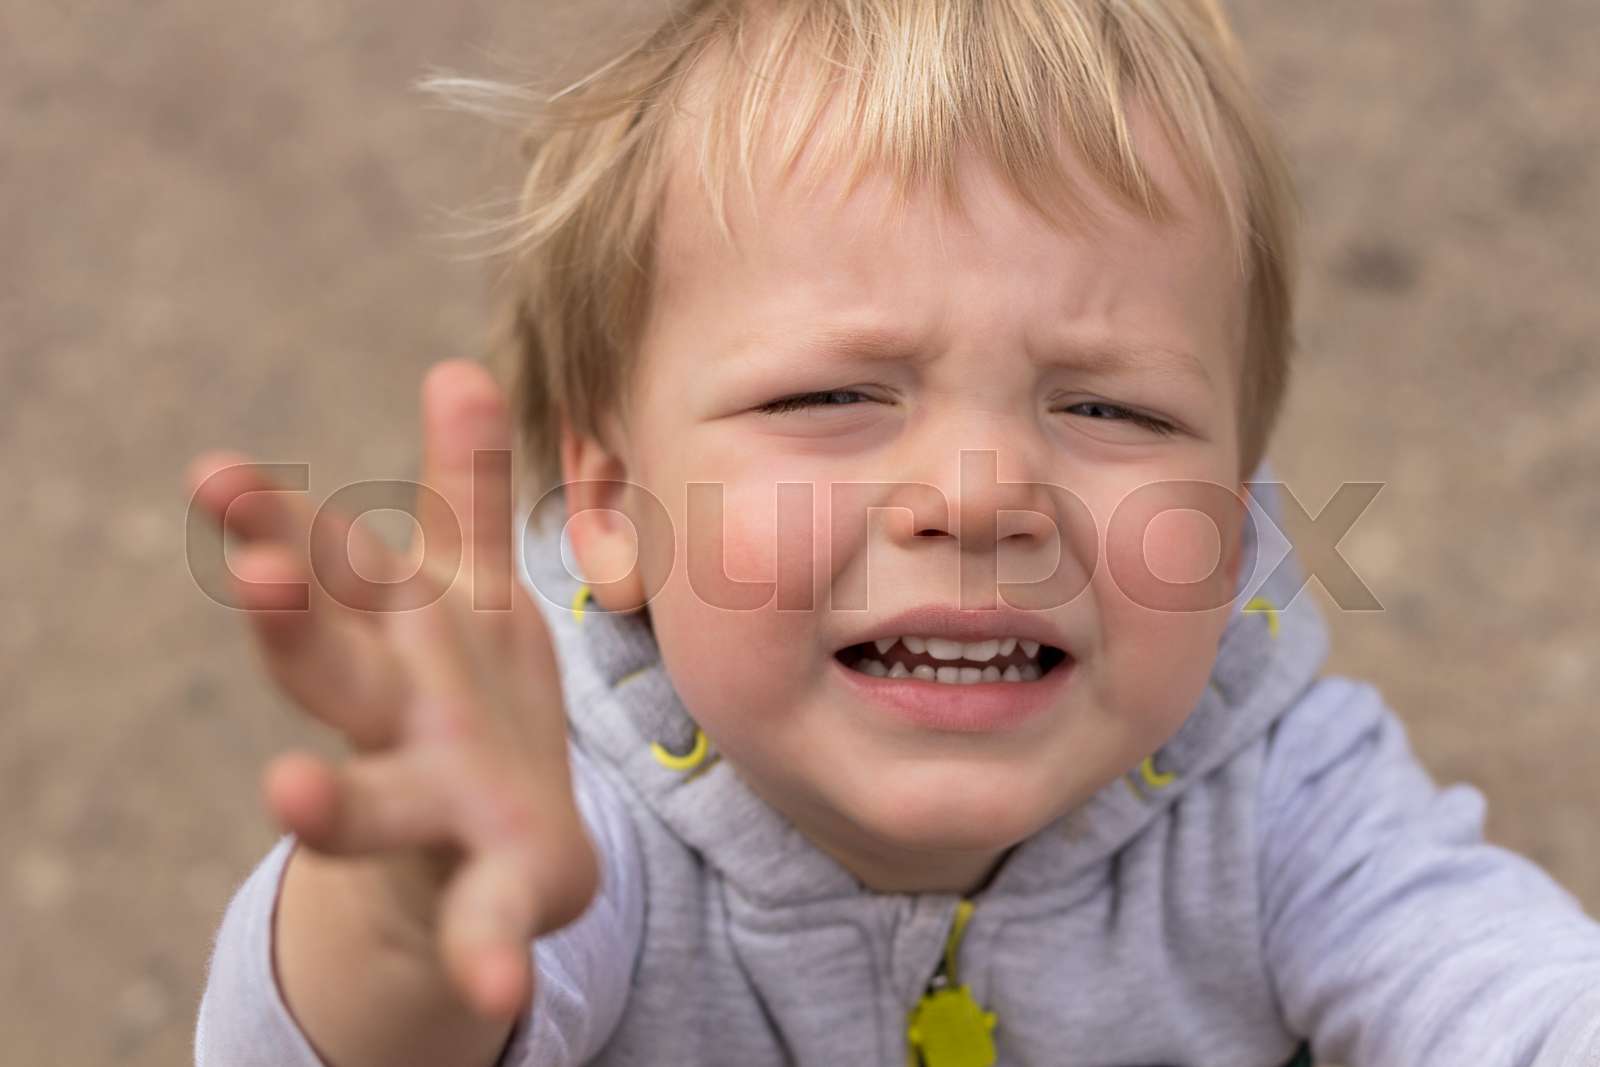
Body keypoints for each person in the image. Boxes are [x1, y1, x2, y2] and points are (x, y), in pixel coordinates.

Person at [188, 1, 1600, 1065]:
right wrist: (411, 909)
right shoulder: (571, 811)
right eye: (832, 395)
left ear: (1231, 526)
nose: (984, 493)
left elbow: (1516, 994)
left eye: (1112, 409)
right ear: (612, 510)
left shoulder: (1283, 796)